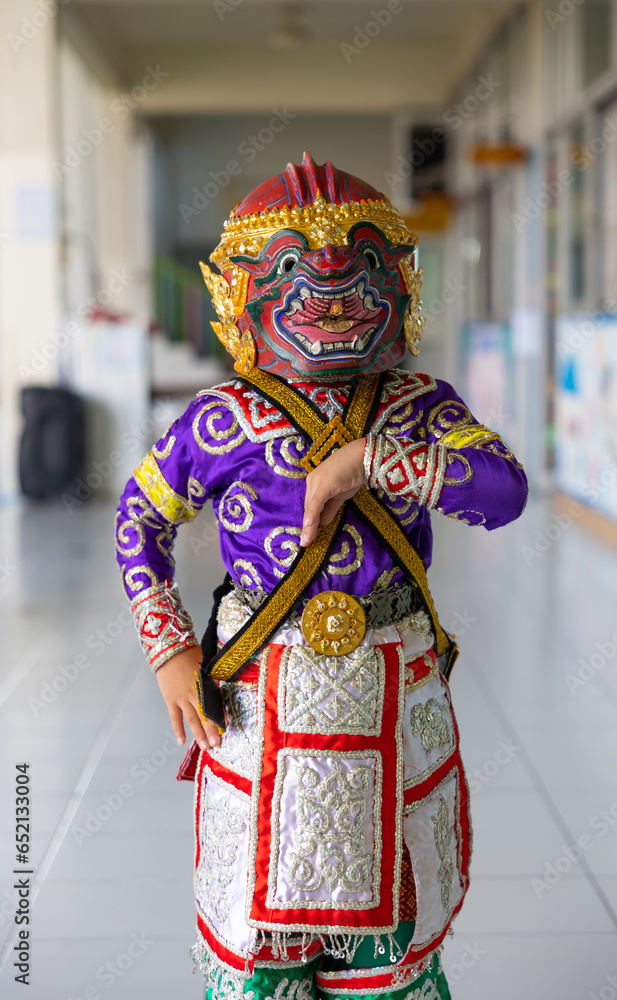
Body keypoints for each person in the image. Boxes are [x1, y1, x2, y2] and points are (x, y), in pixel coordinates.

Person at [115, 153, 528, 1000]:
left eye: (362, 271)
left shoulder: (419, 404)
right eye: (296, 274)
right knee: (256, 938)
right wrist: (168, 649)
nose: (332, 297)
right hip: (257, 697)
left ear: (400, 286)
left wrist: (369, 461)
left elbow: (503, 494)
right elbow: (138, 520)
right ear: (242, 293)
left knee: (393, 941)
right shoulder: (219, 419)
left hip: (392, 685)